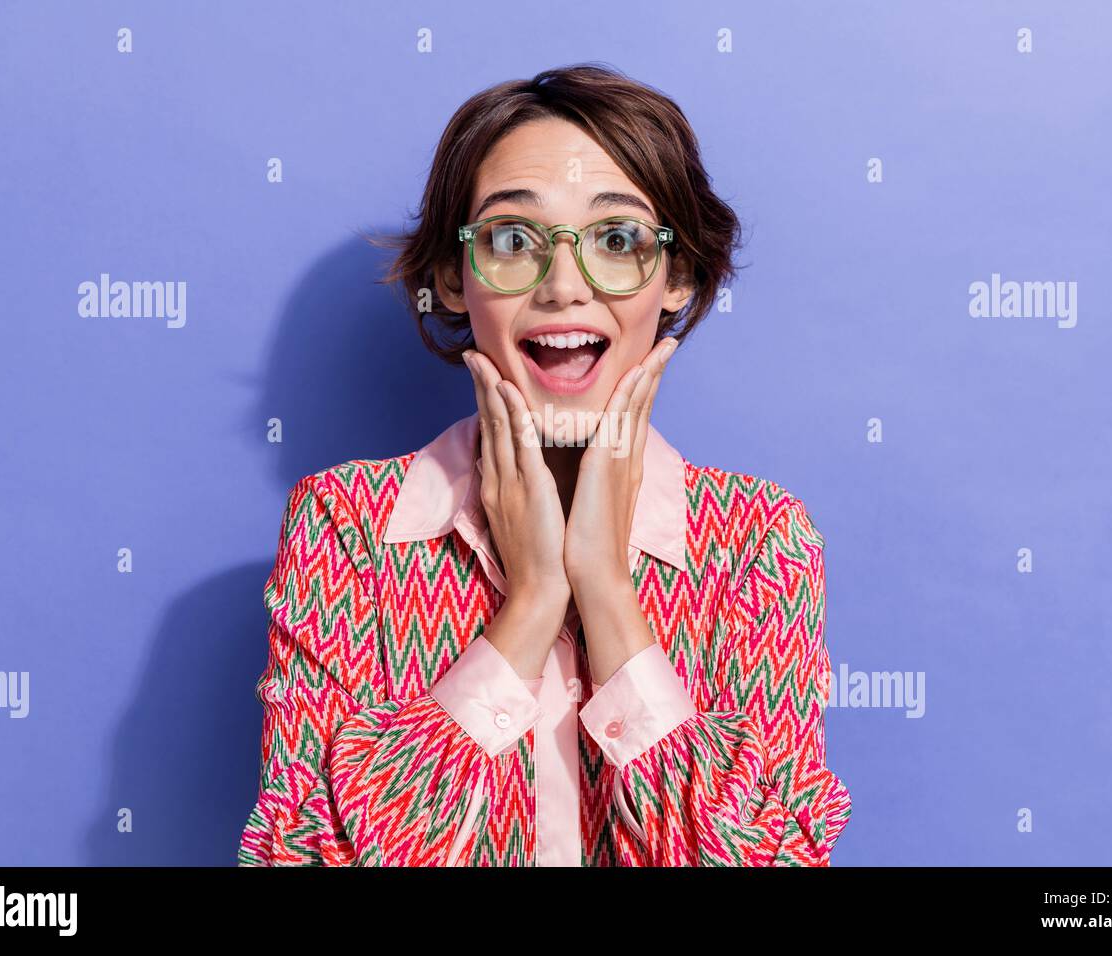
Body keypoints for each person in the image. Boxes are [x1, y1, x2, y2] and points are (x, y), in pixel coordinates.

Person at [238, 62, 852, 867]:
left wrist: (604, 586)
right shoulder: (348, 526)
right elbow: (302, 858)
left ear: (680, 277)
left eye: (619, 240)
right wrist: (529, 607)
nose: (565, 286)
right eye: (514, 240)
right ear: (455, 279)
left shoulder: (759, 543)